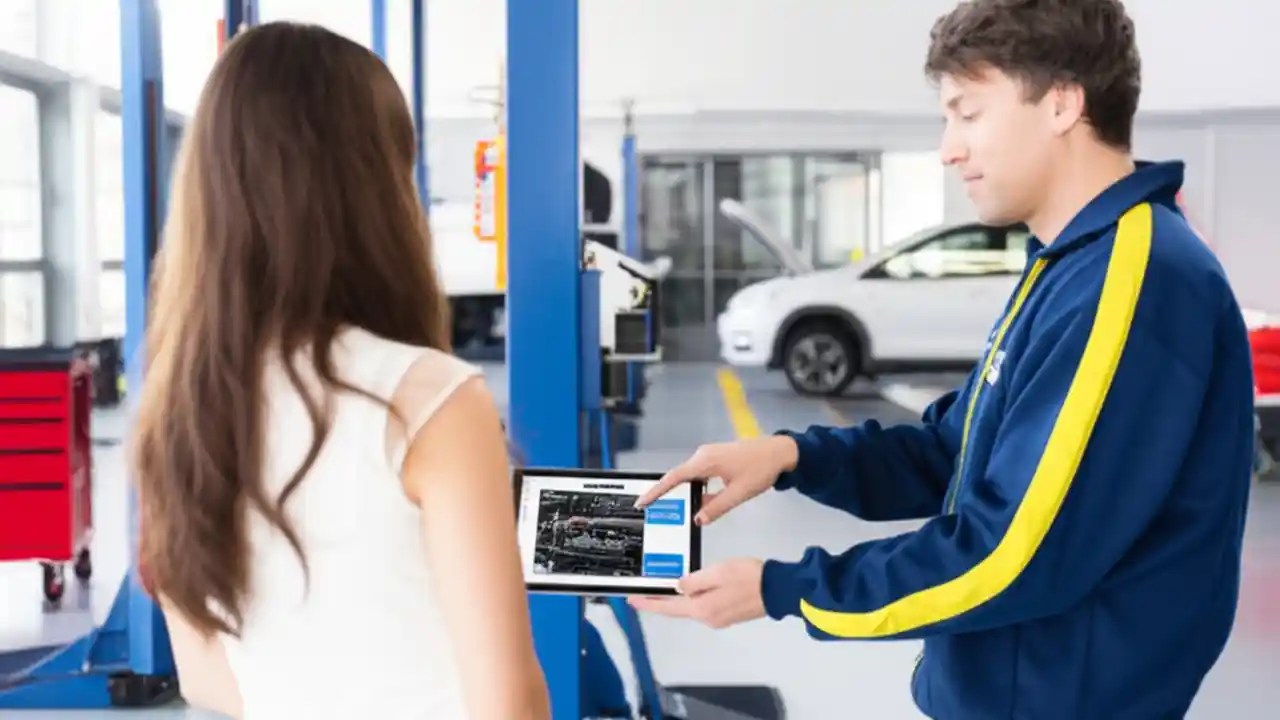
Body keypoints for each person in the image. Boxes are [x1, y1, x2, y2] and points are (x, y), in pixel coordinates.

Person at [631, 1, 1256, 718]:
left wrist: (783, 588)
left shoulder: (1133, 278)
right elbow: (948, 455)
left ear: (1061, 103)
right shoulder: (1072, 264)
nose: (948, 148)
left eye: (968, 112)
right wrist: (791, 458)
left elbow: (1012, 554)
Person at [130, 23, 549, 720]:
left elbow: (207, 682)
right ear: (374, 188)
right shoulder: (428, 399)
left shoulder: (179, 412)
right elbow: (508, 700)